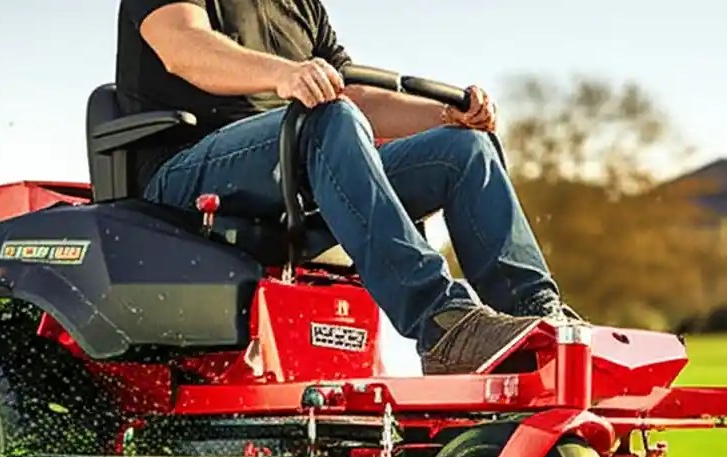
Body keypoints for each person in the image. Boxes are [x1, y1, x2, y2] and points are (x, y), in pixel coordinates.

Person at [117, 0, 578, 374]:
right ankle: (442, 323)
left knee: (462, 150)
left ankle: (537, 320)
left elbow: (350, 94)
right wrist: (284, 75)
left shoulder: (300, 6)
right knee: (324, 118)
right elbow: (183, 45)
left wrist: (445, 115)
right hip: (185, 172)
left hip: (295, 158)